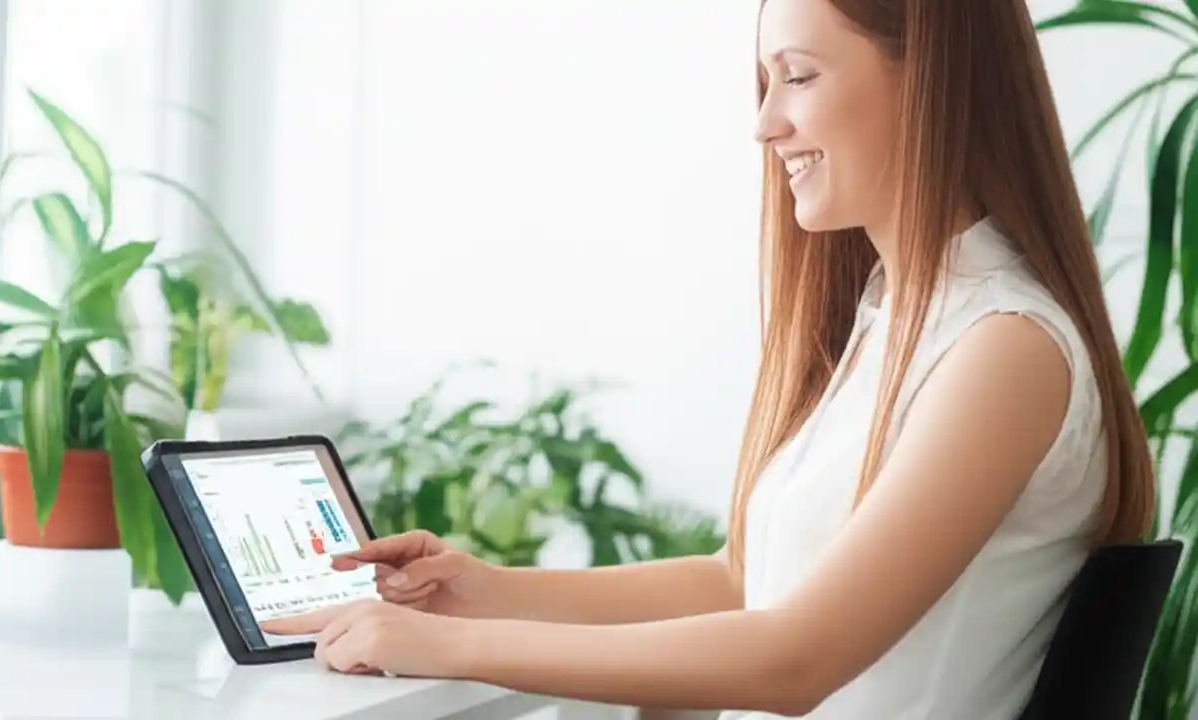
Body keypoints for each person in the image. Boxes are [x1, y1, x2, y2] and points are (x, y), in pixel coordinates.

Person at [260, 0, 1155, 716]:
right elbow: (741, 582)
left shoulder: (1004, 349)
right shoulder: (896, 317)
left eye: (797, 77)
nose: (767, 124)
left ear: (933, 83)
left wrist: (441, 647)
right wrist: (489, 592)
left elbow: (795, 660)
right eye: (765, 83)